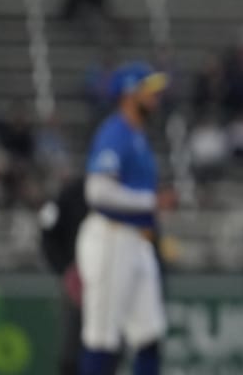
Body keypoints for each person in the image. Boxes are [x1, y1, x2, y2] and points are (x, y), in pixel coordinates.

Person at [77, 63, 169, 375]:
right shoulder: (115, 132)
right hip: (111, 236)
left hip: (137, 241)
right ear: (130, 94)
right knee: (102, 339)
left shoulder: (137, 135)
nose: (155, 98)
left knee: (149, 336)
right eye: (148, 91)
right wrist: (151, 201)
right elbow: (97, 191)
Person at [40, 175, 91, 375]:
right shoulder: (71, 193)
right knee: (71, 347)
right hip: (75, 282)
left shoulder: (118, 192)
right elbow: (48, 233)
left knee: (106, 346)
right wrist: (65, 268)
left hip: (107, 281)